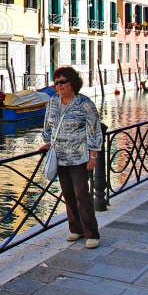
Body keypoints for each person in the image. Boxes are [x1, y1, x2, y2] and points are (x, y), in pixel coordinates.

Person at [41, 65, 102, 249]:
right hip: (60, 156)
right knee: (67, 194)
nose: (58, 86)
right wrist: (48, 142)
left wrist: (93, 156)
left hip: (79, 157)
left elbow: (94, 130)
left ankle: (92, 233)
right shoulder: (52, 102)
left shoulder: (84, 103)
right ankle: (76, 229)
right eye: (56, 83)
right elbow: (48, 125)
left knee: (81, 194)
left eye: (62, 82)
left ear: (72, 83)